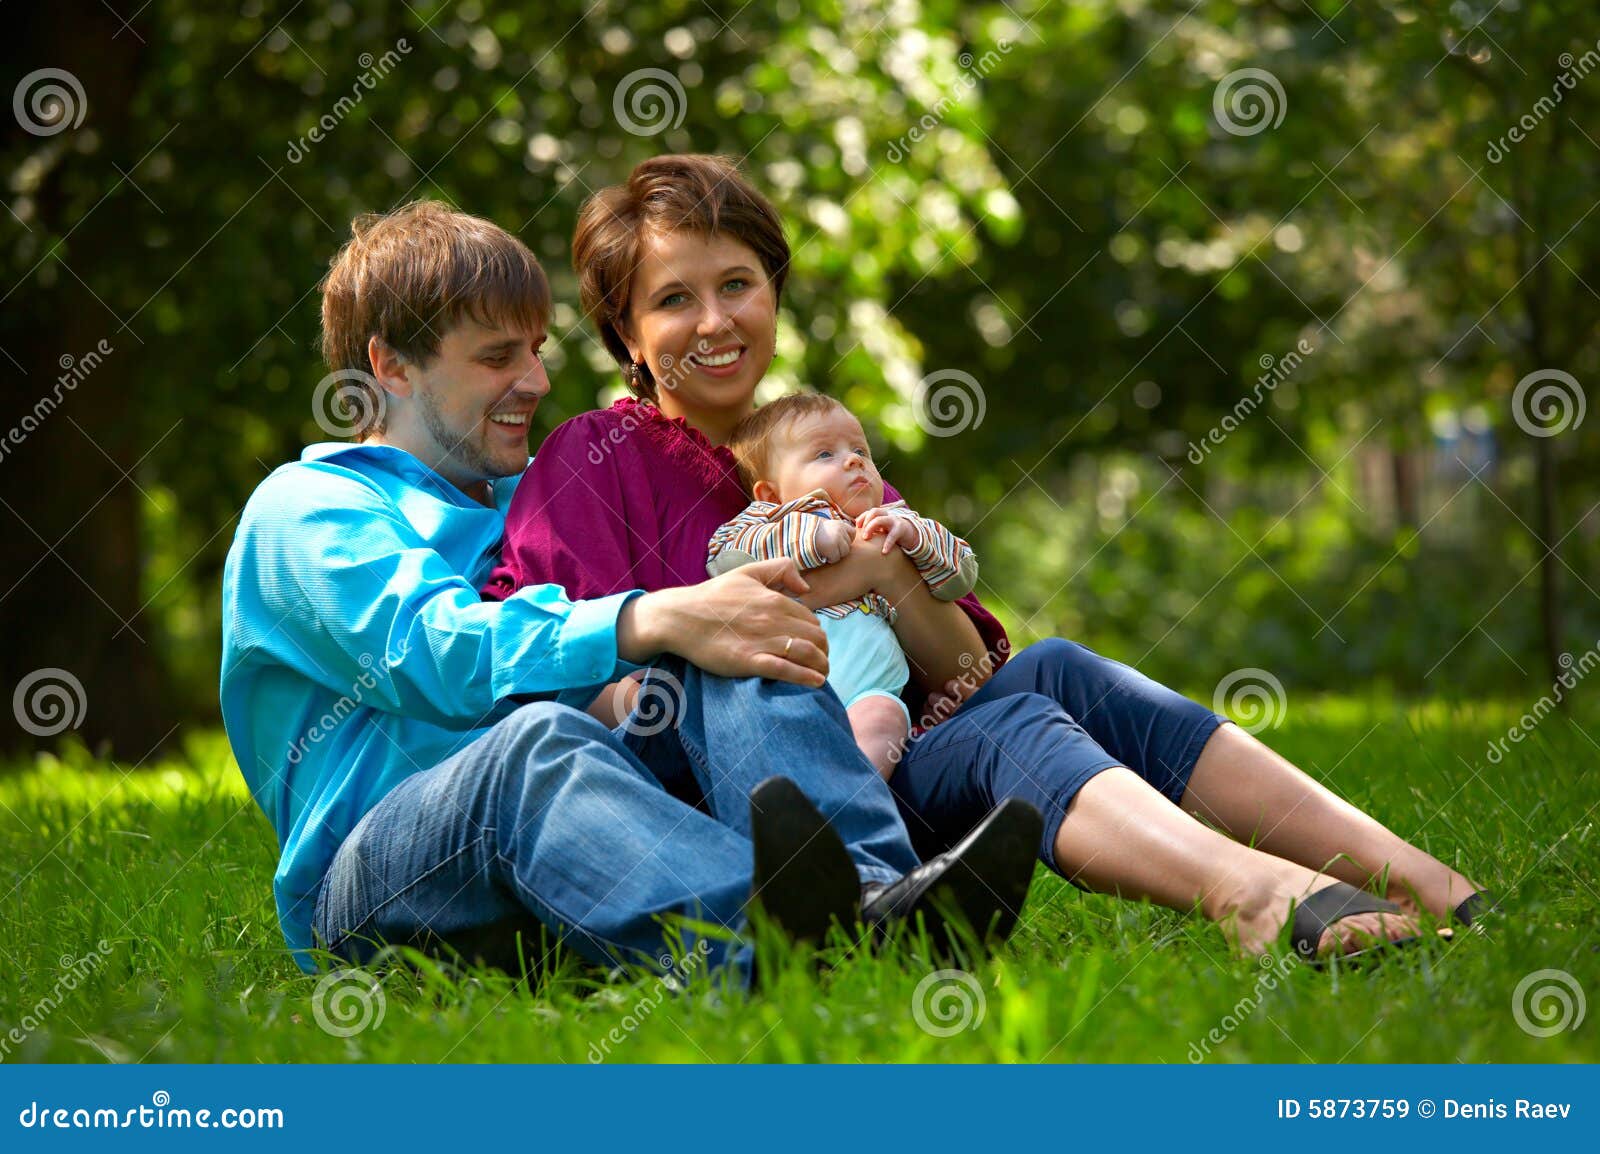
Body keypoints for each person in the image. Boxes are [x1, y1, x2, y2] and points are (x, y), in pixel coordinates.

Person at [485, 153, 1494, 964]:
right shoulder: (592, 454)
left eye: (737, 284)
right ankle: (1259, 894)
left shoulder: (809, 445)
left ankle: (1426, 880)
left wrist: (884, 571)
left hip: (881, 769)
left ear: (774, 293)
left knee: (1048, 672)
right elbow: (553, 671)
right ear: (625, 326)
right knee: (1013, 709)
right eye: (672, 299)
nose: (714, 321)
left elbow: (965, 676)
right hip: (737, 806)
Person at [218, 199, 1041, 984]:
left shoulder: (523, 501)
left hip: (572, 856)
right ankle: (784, 951)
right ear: (390, 366)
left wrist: (706, 624)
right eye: (498, 356)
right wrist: (651, 616)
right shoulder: (309, 509)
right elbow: (438, 654)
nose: (537, 381)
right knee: (542, 733)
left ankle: (879, 894)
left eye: (536, 349)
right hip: (384, 885)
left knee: (731, 635)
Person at [705, 393, 977, 777]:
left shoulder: (891, 520)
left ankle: (856, 800)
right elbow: (727, 561)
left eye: (860, 450)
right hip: (786, 688)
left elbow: (960, 575)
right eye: (823, 455)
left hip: (867, 695)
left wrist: (914, 537)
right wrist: (812, 538)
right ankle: (806, 803)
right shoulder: (767, 521)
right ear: (770, 493)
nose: (853, 461)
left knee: (884, 720)